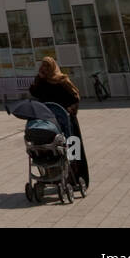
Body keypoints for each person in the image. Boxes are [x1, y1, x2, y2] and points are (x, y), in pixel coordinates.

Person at [29, 56, 90, 190]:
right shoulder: (41, 81)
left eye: (46, 66)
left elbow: (75, 96)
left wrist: (71, 110)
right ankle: (54, 177)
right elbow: (34, 93)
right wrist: (38, 79)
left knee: (73, 147)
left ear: (52, 67)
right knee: (52, 149)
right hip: (49, 122)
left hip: (66, 119)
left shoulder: (62, 80)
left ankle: (77, 177)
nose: (44, 68)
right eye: (42, 65)